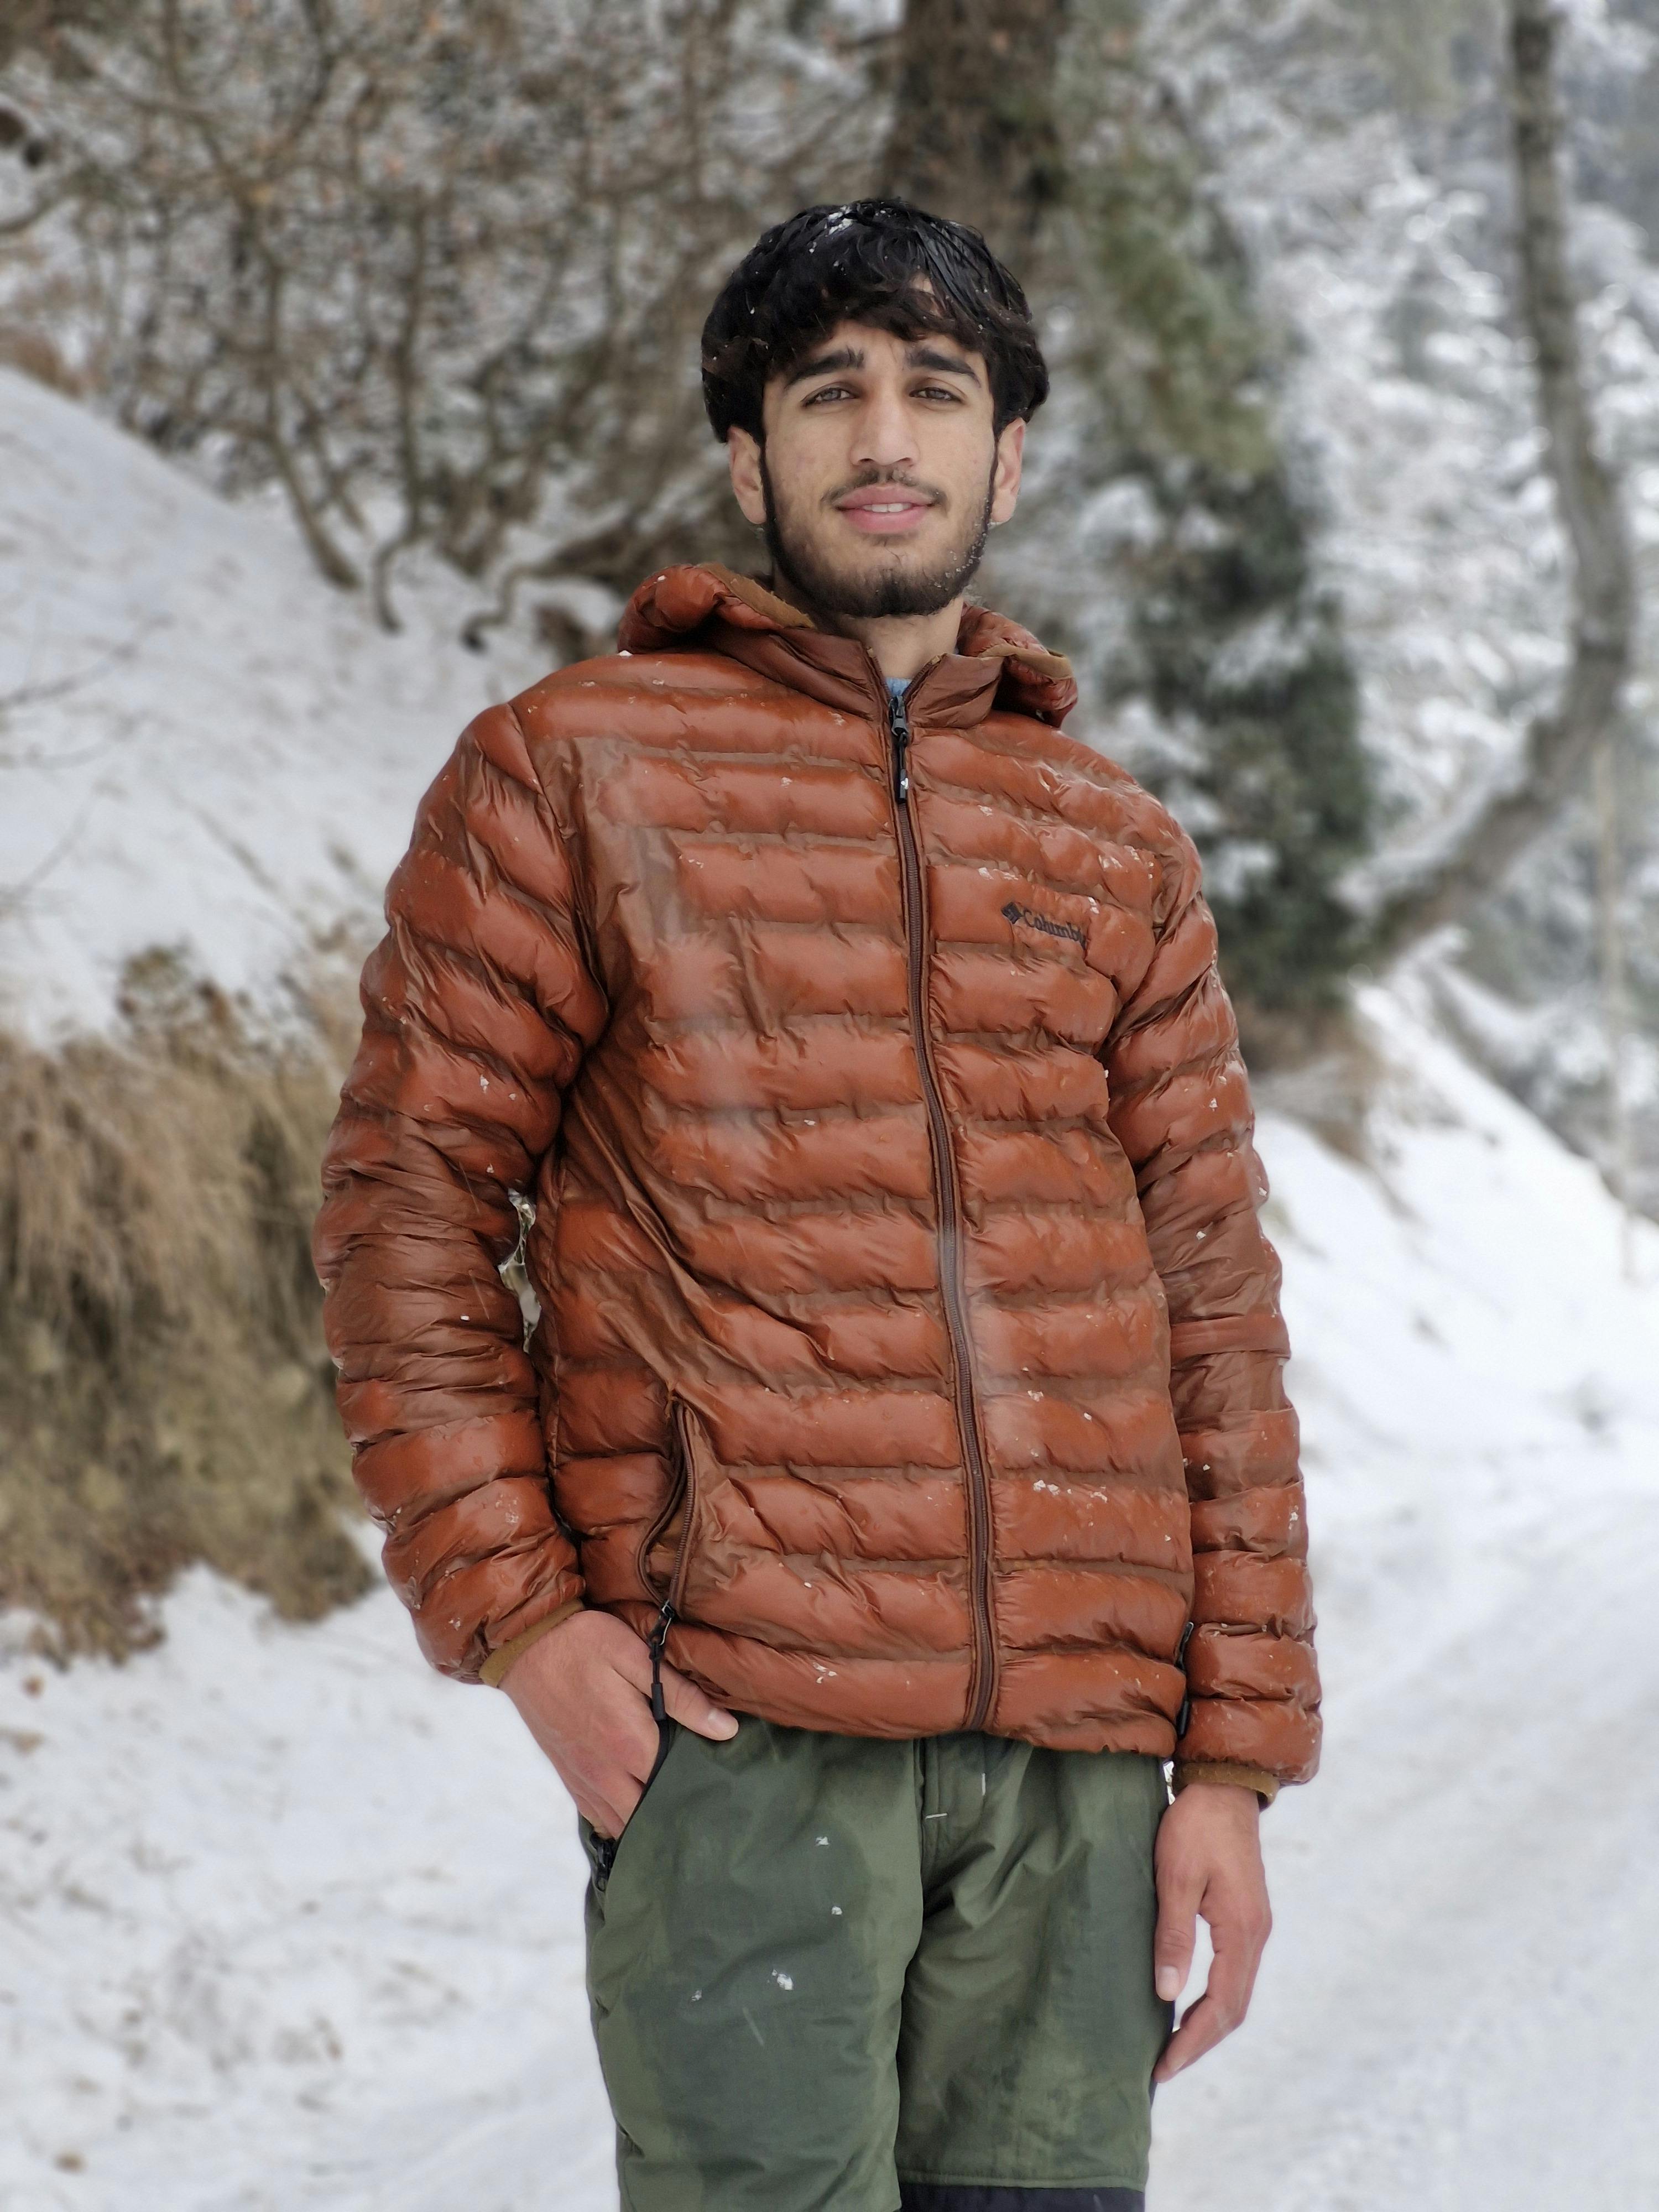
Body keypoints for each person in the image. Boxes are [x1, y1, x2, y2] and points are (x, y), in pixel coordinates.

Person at [312, 198, 1320, 2212]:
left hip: (1079, 1768)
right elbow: (407, 1218)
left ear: (1007, 454)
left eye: (936, 393)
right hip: (742, 1737)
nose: (886, 435)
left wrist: (1228, 1764)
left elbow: (1211, 1309)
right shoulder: (567, 775)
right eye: (829, 389)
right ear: (747, 454)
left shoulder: (1113, 841)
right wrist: (522, 1625)